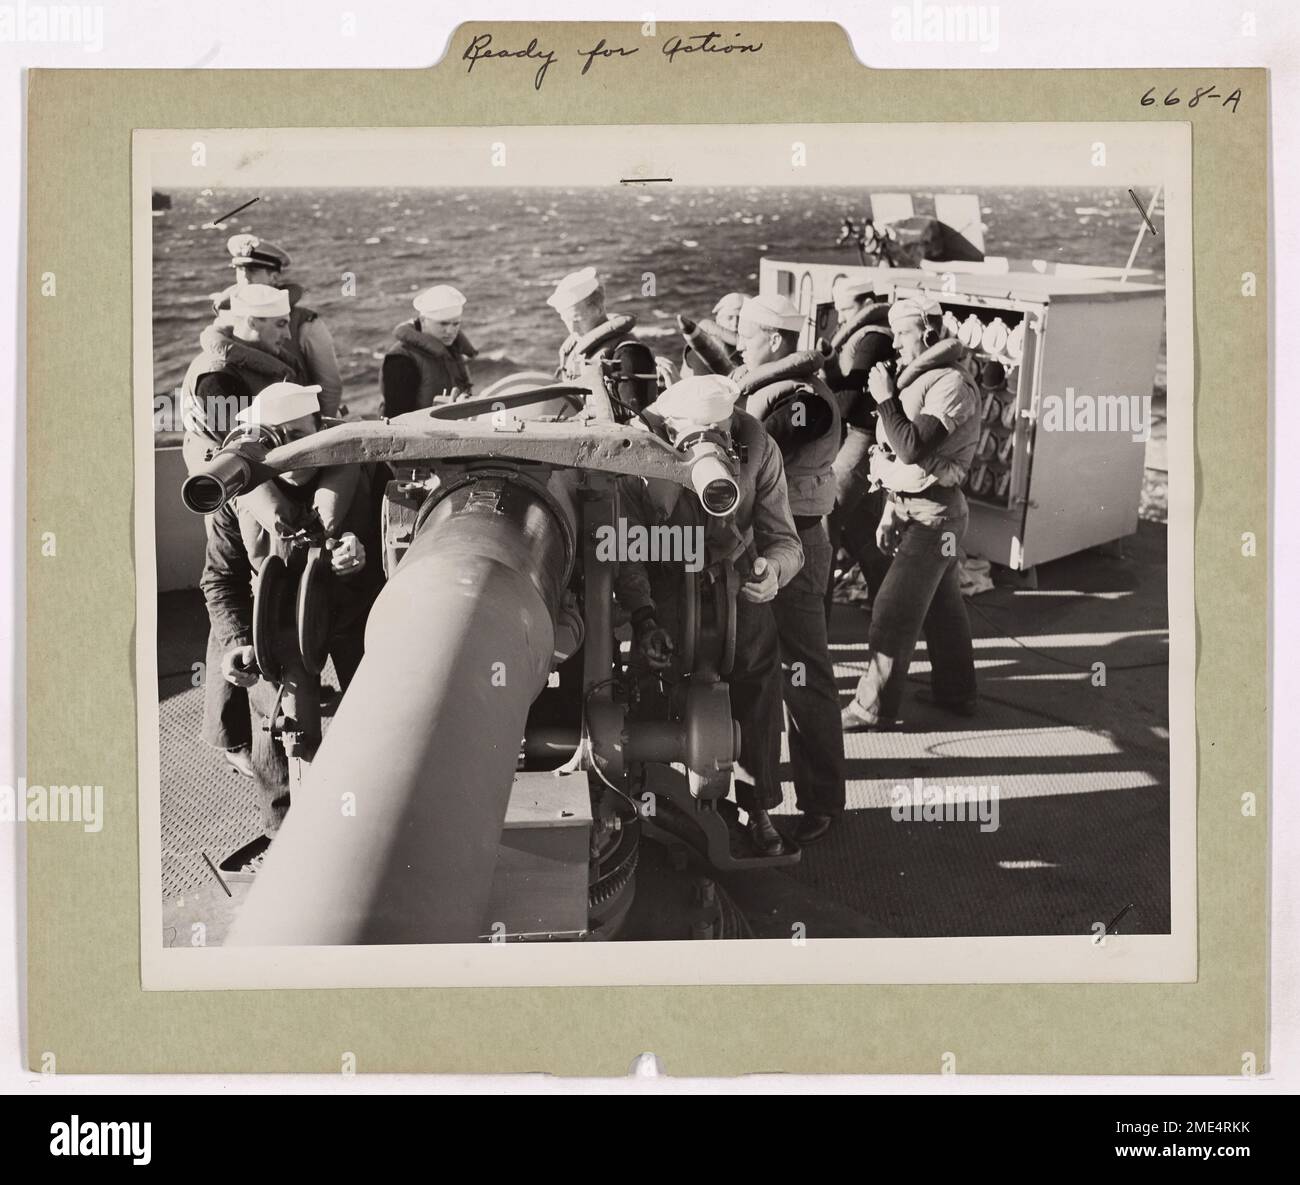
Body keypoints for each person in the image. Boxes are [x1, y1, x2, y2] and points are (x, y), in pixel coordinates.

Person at [611, 373, 804, 857]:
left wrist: (773, 571)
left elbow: (786, 541)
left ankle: (757, 805)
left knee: (759, 684)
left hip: (738, 586)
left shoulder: (759, 448)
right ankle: (647, 807)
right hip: (665, 588)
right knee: (647, 688)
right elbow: (625, 552)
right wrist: (643, 617)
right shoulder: (638, 452)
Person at [200, 382, 382, 875]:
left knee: (378, 719)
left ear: (322, 429)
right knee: (270, 733)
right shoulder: (234, 495)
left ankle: (373, 828)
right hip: (274, 618)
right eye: (277, 437)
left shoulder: (363, 473)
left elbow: (402, 549)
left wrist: (360, 559)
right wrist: (236, 643)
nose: (291, 448)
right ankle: (281, 839)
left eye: (300, 434)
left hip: (351, 613)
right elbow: (220, 578)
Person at [732, 294, 846, 843]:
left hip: (793, 544)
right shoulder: (777, 390)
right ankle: (759, 799)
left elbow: (755, 456)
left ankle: (822, 801)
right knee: (759, 669)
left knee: (804, 675)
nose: (737, 347)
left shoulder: (802, 402)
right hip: (772, 540)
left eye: (746, 338)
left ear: (775, 341)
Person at [841, 297, 980, 731]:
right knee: (943, 608)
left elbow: (911, 447)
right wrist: (889, 513)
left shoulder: (952, 385)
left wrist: (884, 398)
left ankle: (871, 708)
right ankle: (957, 694)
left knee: (892, 610)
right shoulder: (920, 378)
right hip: (914, 508)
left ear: (929, 333)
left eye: (903, 333)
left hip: (938, 517)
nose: (896, 344)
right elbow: (896, 460)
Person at [824, 276, 897, 619]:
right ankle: (887, 604)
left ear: (866, 304)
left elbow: (851, 399)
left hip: (862, 437)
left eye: (845, 311)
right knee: (858, 528)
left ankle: (816, 615)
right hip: (867, 438)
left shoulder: (870, 339)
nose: (841, 320)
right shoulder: (871, 335)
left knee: (826, 515)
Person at [211, 234, 344, 417]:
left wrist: (317, 430)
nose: (244, 277)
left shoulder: (305, 324)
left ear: (273, 277)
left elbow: (329, 387)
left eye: (253, 270)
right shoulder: (227, 320)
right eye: (240, 269)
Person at [180, 284, 303, 475]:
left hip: (267, 460)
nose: (288, 334)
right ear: (252, 323)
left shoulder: (273, 360)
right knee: (276, 507)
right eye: (280, 324)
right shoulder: (216, 377)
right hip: (229, 474)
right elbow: (243, 447)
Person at [379, 284, 478, 416]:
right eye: (443, 323)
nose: (450, 331)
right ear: (423, 320)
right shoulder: (401, 359)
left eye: (456, 324)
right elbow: (396, 418)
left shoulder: (453, 349)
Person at [680, 291, 744, 376]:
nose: (735, 323)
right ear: (718, 320)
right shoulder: (704, 349)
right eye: (729, 318)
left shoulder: (746, 347)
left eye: (740, 318)